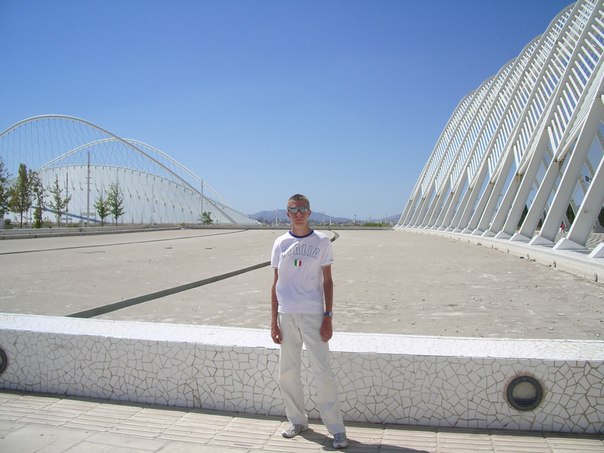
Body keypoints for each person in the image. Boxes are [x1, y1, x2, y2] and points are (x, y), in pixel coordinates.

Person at [270, 194, 348, 449]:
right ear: (287, 213)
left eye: (303, 209)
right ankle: (297, 420)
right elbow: (276, 283)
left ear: (309, 212)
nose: (299, 214)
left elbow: (328, 281)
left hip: (314, 314)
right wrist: (273, 321)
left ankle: (336, 429)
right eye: (294, 210)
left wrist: (328, 316)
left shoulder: (322, 241)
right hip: (287, 314)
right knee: (288, 372)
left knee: (323, 372)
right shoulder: (280, 243)